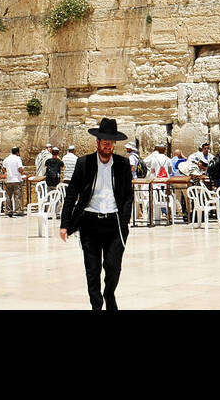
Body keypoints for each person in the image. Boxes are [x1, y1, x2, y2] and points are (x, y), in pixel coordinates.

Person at [59, 118, 133, 310]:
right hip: (90, 223)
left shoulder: (123, 165)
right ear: (97, 142)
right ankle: (96, 306)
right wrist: (65, 223)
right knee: (92, 270)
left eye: (111, 142)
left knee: (113, 267)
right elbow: (72, 194)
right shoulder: (84, 163)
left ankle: (109, 294)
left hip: (114, 223)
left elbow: (127, 197)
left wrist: (124, 224)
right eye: (104, 141)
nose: (107, 145)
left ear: (114, 144)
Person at [2, 146, 25, 216]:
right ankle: (17, 211)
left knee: (8, 196)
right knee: (17, 196)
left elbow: (3, 169)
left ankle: (8, 210)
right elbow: (20, 169)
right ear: (17, 152)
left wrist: (9, 172)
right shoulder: (18, 159)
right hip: (17, 180)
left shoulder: (6, 159)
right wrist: (21, 172)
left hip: (9, 180)